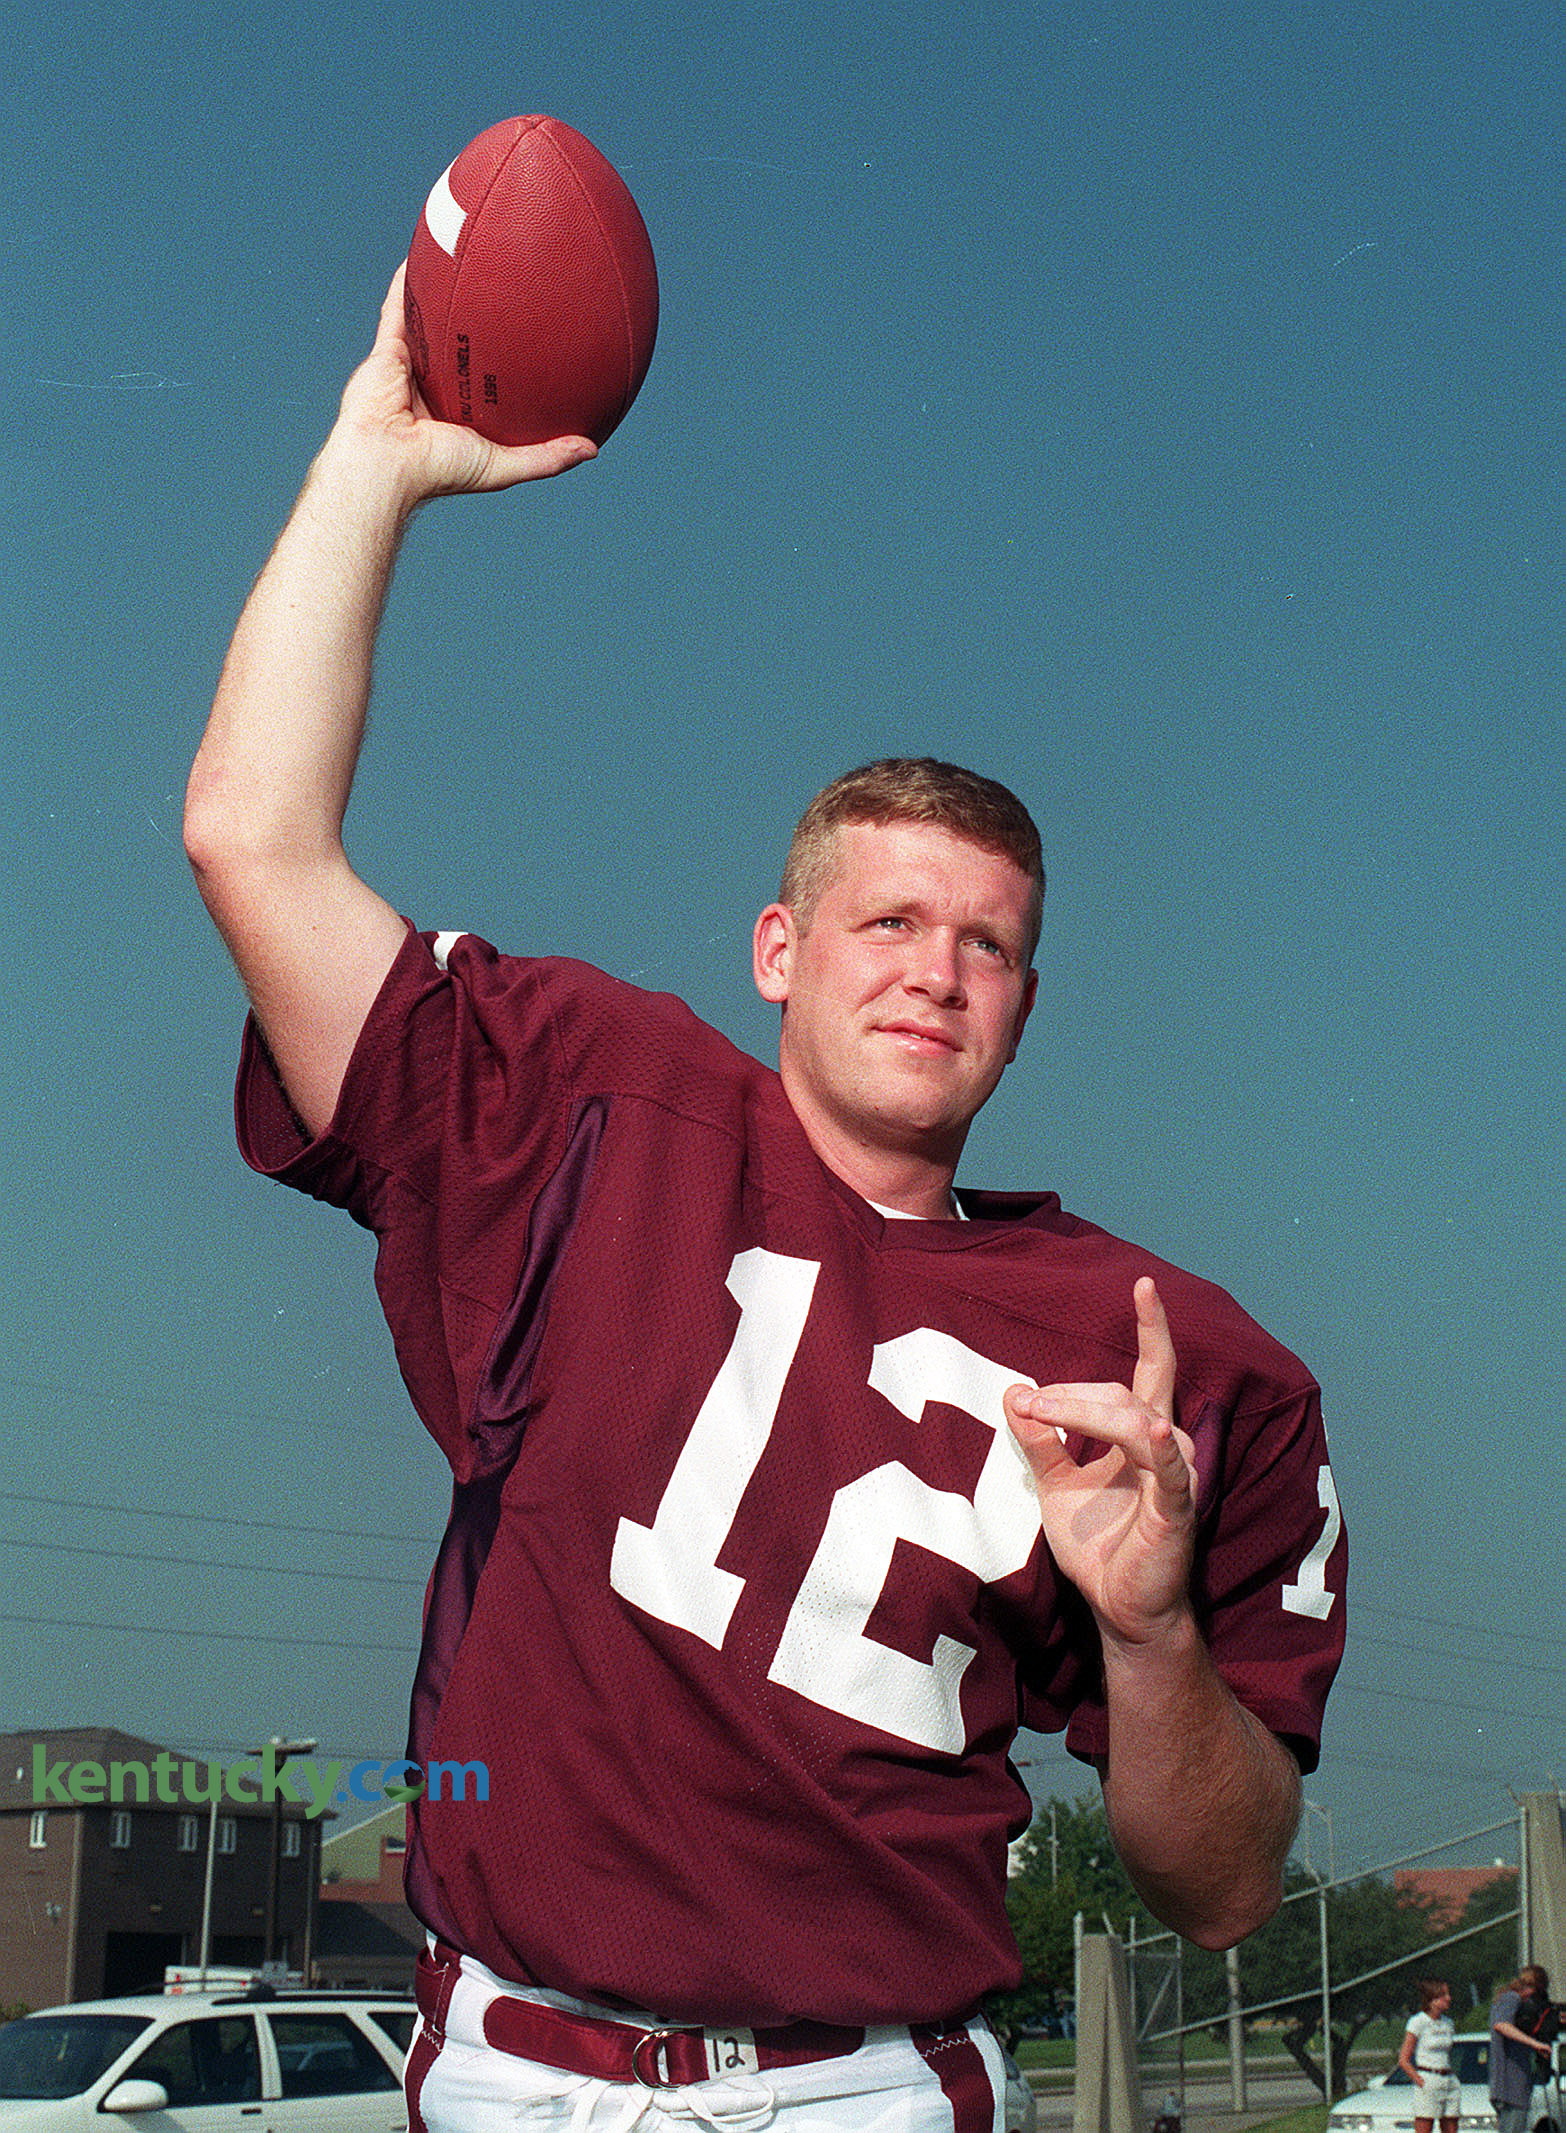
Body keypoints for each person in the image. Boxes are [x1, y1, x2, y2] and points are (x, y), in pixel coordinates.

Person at [185, 272, 1347, 2133]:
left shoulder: (1165, 1362)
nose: (934, 972)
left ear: (1026, 1004)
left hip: (866, 2084)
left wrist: (1147, 1634)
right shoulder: (585, 1104)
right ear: (777, 950)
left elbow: (1218, 1891)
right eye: (887, 920)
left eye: (987, 945)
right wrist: (370, 464)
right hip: (513, 2065)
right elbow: (251, 839)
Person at [1491, 1965, 1554, 2133]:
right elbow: (1501, 2025)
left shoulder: (1511, 2001)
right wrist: (1534, 2043)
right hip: (1510, 2086)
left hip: (1516, 2085)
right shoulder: (1511, 1998)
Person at [1400, 1979, 1458, 2133]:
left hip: (1449, 2079)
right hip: (1428, 2078)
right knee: (1425, 2125)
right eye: (1443, 1995)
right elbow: (1404, 2060)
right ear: (1432, 1999)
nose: (1448, 1998)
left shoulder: (1448, 2023)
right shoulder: (1418, 2022)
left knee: (1451, 2126)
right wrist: (1420, 2081)